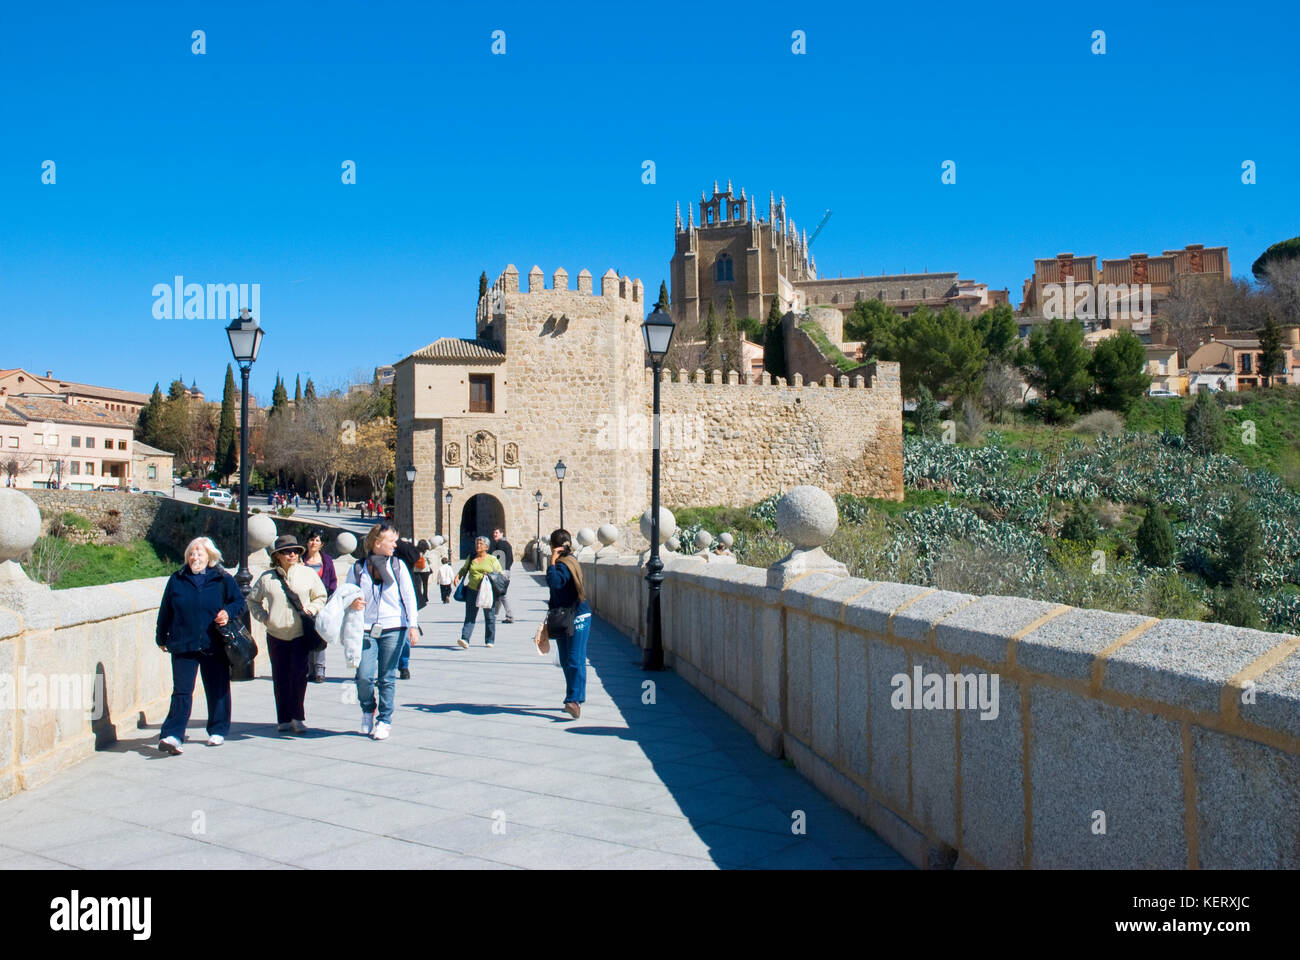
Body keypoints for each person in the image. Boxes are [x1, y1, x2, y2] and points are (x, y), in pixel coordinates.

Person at [154, 537, 246, 754]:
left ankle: (218, 729)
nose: (195, 557)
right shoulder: (177, 579)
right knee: (182, 691)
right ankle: (173, 734)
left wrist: (227, 613)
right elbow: (166, 609)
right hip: (183, 643)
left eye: (200, 553)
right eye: (191, 554)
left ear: (210, 557)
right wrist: (161, 637)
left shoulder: (222, 578)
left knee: (217, 688)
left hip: (213, 643)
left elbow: (238, 602)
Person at [345, 522, 419, 740]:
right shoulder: (357, 568)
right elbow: (347, 594)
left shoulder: (398, 566)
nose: (395, 545)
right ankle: (368, 709)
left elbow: (408, 596)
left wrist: (413, 625)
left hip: (394, 626)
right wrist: (352, 603)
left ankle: (384, 720)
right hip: (366, 628)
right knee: (364, 676)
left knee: (387, 677)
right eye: (391, 541)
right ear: (377, 543)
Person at [248, 535, 328, 734]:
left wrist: (311, 608)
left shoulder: (307, 574)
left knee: (299, 676)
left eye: (295, 551)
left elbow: (321, 596)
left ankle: (297, 717)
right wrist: (265, 618)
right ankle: (283, 718)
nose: (291, 554)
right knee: (281, 676)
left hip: (300, 632)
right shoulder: (267, 578)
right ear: (278, 556)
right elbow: (253, 600)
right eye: (286, 551)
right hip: (276, 633)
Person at [545, 528, 592, 719]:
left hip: (578, 616)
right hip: (564, 616)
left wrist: (551, 562)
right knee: (565, 659)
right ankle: (571, 696)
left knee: (575, 658)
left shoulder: (565, 564)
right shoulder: (566, 562)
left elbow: (555, 583)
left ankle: (575, 700)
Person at [452, 536, 503, 649]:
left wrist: (489, 575)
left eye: (480, 543)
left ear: (486, 546)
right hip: (472, 590)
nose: (478, 545)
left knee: (489, 616)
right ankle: (465, 638)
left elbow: (499, 574)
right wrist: (458, 576)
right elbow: (464, 568)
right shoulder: (471, 558)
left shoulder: (492, 560)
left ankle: (489, 640)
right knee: (470, 616)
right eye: (477, 543)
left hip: (487, 591)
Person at [301, 529, 338, 683]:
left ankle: (320, 669)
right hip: (305, 604)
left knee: (321, 635)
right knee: (307, 636)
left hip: (322, 603)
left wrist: (329, 598)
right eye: (311, 540)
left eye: (317, 540)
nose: (313, 543)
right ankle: (309, 669)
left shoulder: (327, 560)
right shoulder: (300, 560)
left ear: (321, 544)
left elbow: (333, 581)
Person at [391, 536, 423, 677]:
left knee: (403, 638)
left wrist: (414, 625)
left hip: (402, 598)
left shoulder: (402, 553)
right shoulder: (372, 559)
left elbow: (415, 557)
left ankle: (403, 666)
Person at [490, 527, 516, 624]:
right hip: (505, 571)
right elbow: (511, 559)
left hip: (501, 572)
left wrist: (501, 571)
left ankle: (509, 615)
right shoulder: (506, 544)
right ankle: (494, 615)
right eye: (494, 533)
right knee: (498, 594)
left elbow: (497, 559)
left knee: (501, 594)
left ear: (502, 533)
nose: (495, 534)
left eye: (496, 533)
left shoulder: (501, 545)